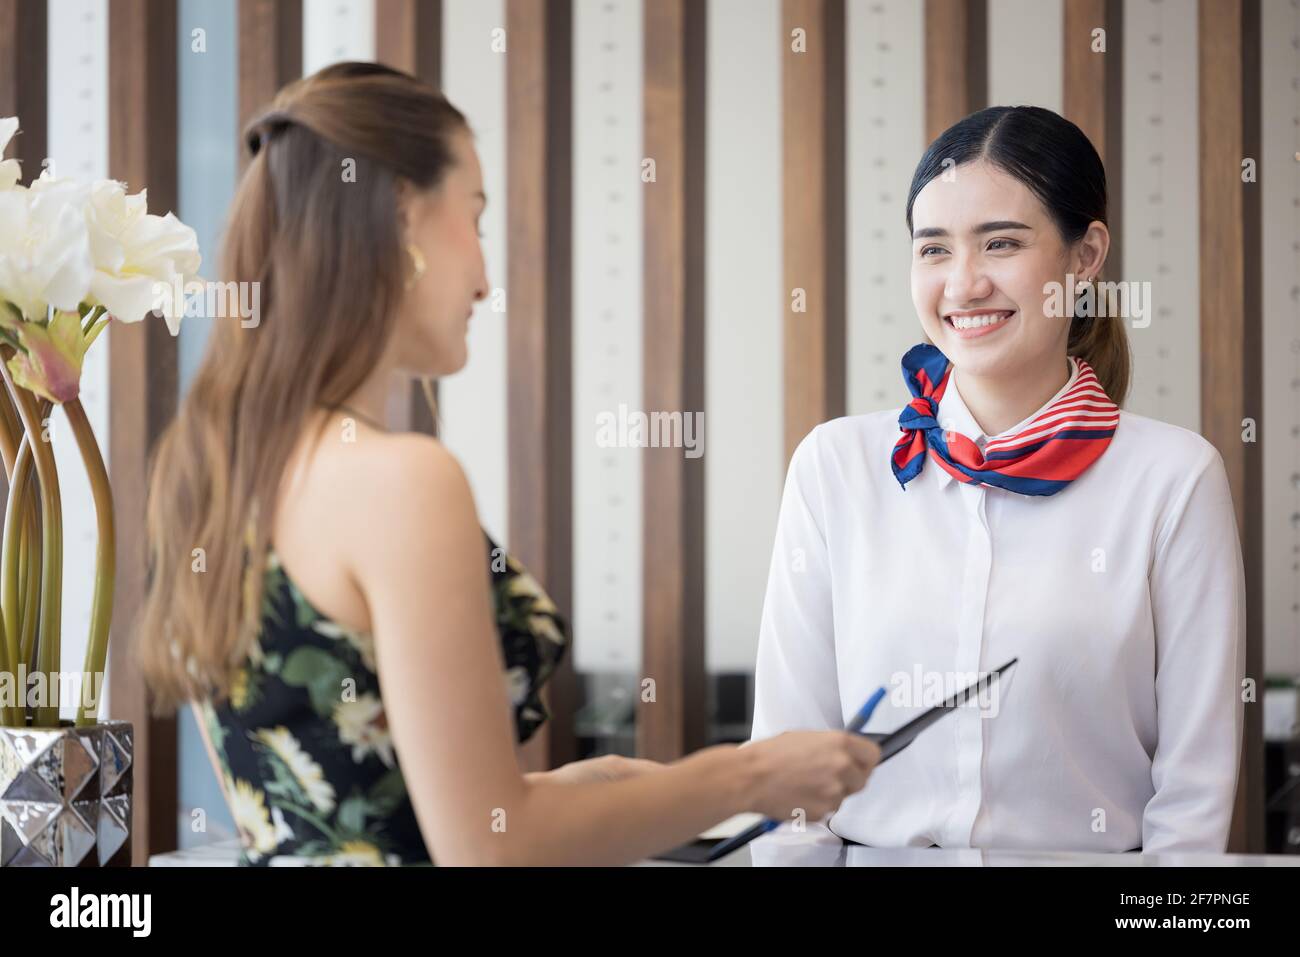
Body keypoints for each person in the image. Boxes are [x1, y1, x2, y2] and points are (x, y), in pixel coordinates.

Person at [136, 61, 880, 866]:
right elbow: (492, 850)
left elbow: (352, 804)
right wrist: (748, 773)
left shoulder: (208, 468)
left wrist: (576, 791)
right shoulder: (402, 481)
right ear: (400, 218)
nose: (487, 280)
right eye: (477, 218)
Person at [751, 106, 1246, 855]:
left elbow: (1194, 798)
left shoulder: (1173, 479)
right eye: (934, 249)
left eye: (1002, 243)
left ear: (1084, 257)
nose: (964, 283)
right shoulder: (835, 467)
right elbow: (789, 759)